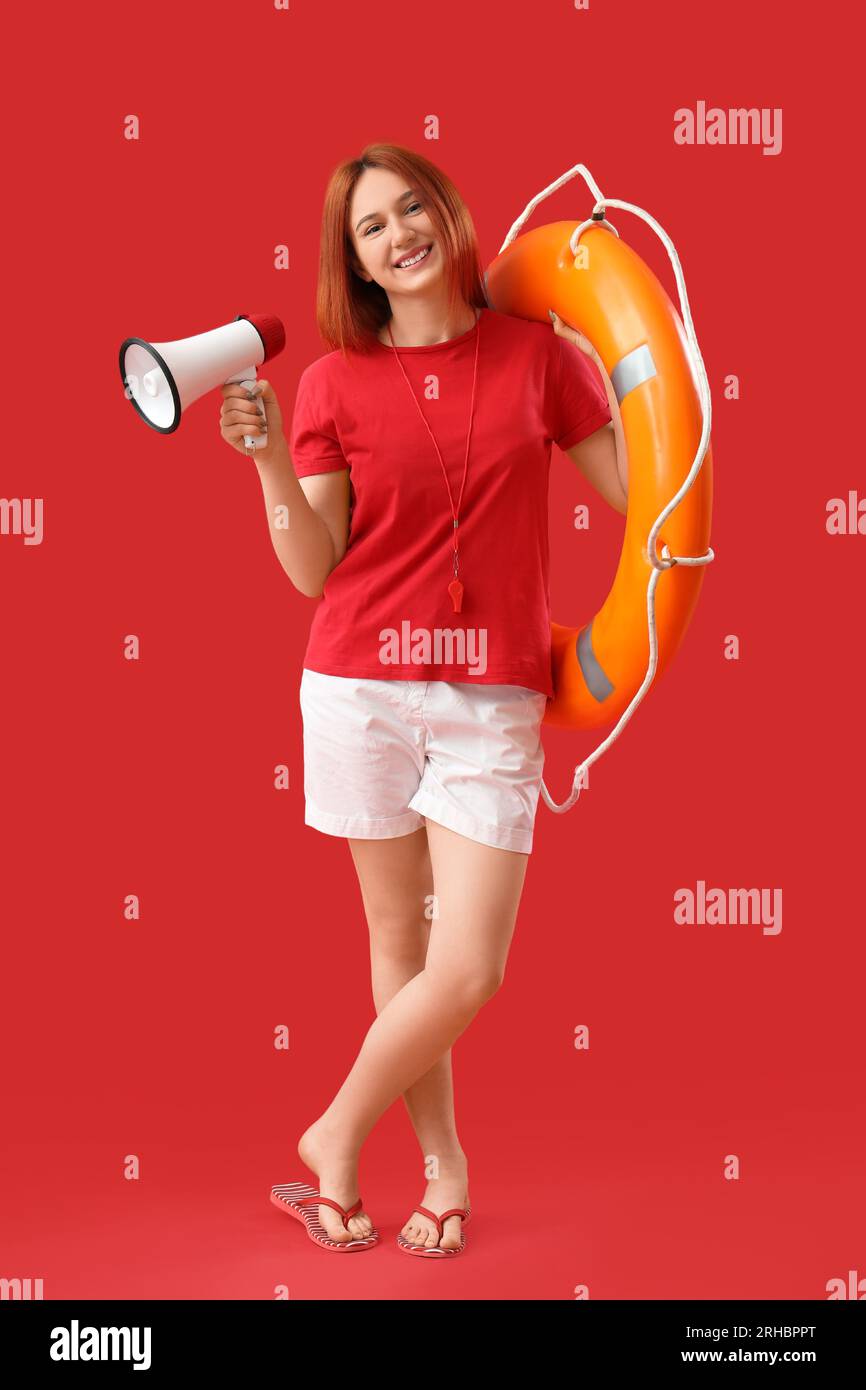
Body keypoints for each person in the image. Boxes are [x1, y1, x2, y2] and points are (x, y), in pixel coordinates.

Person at [219, 143, 628, 1256]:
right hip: (357, 686)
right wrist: (264, 467)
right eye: (370, 228)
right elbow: (314, 567)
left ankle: (331, 1134)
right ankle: (442, 1168)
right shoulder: (329, 383)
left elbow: (645, 496)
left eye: (411, 208)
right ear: (350, 261)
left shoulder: (541, 359)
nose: (397, 234)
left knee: (470, 965)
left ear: (447, 215)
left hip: (489, 693)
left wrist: (636, 358)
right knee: (400, 939)